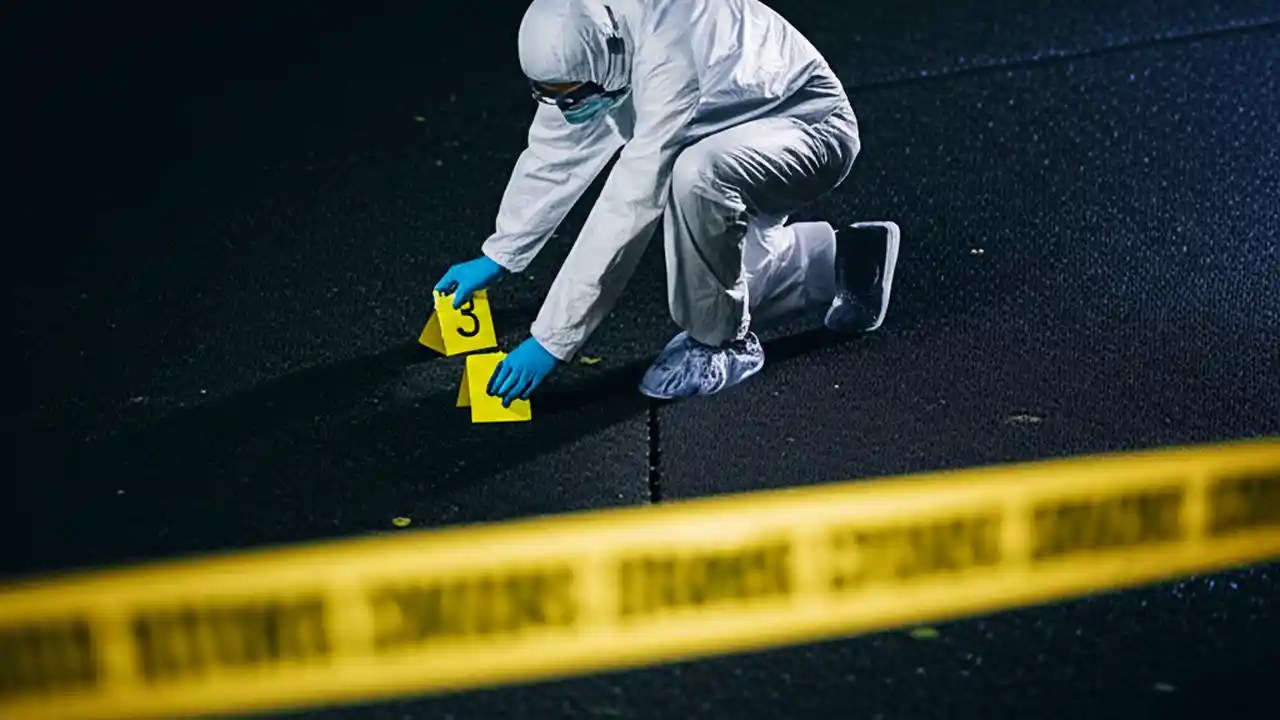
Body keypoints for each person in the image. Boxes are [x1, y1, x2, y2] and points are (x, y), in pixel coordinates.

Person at [434, 0, 899, 406]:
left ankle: (722, 348)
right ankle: (846, 261)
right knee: (718, 287)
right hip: (738, 127)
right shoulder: (593, 33)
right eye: (551, 95)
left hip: (811, 126)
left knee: (696, 179)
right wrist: (500, 253)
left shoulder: (669, 51)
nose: (566, 106)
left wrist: (551, 340)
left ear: (607, 55)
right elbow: (555, 155)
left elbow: (630, 203)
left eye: (571, 95)